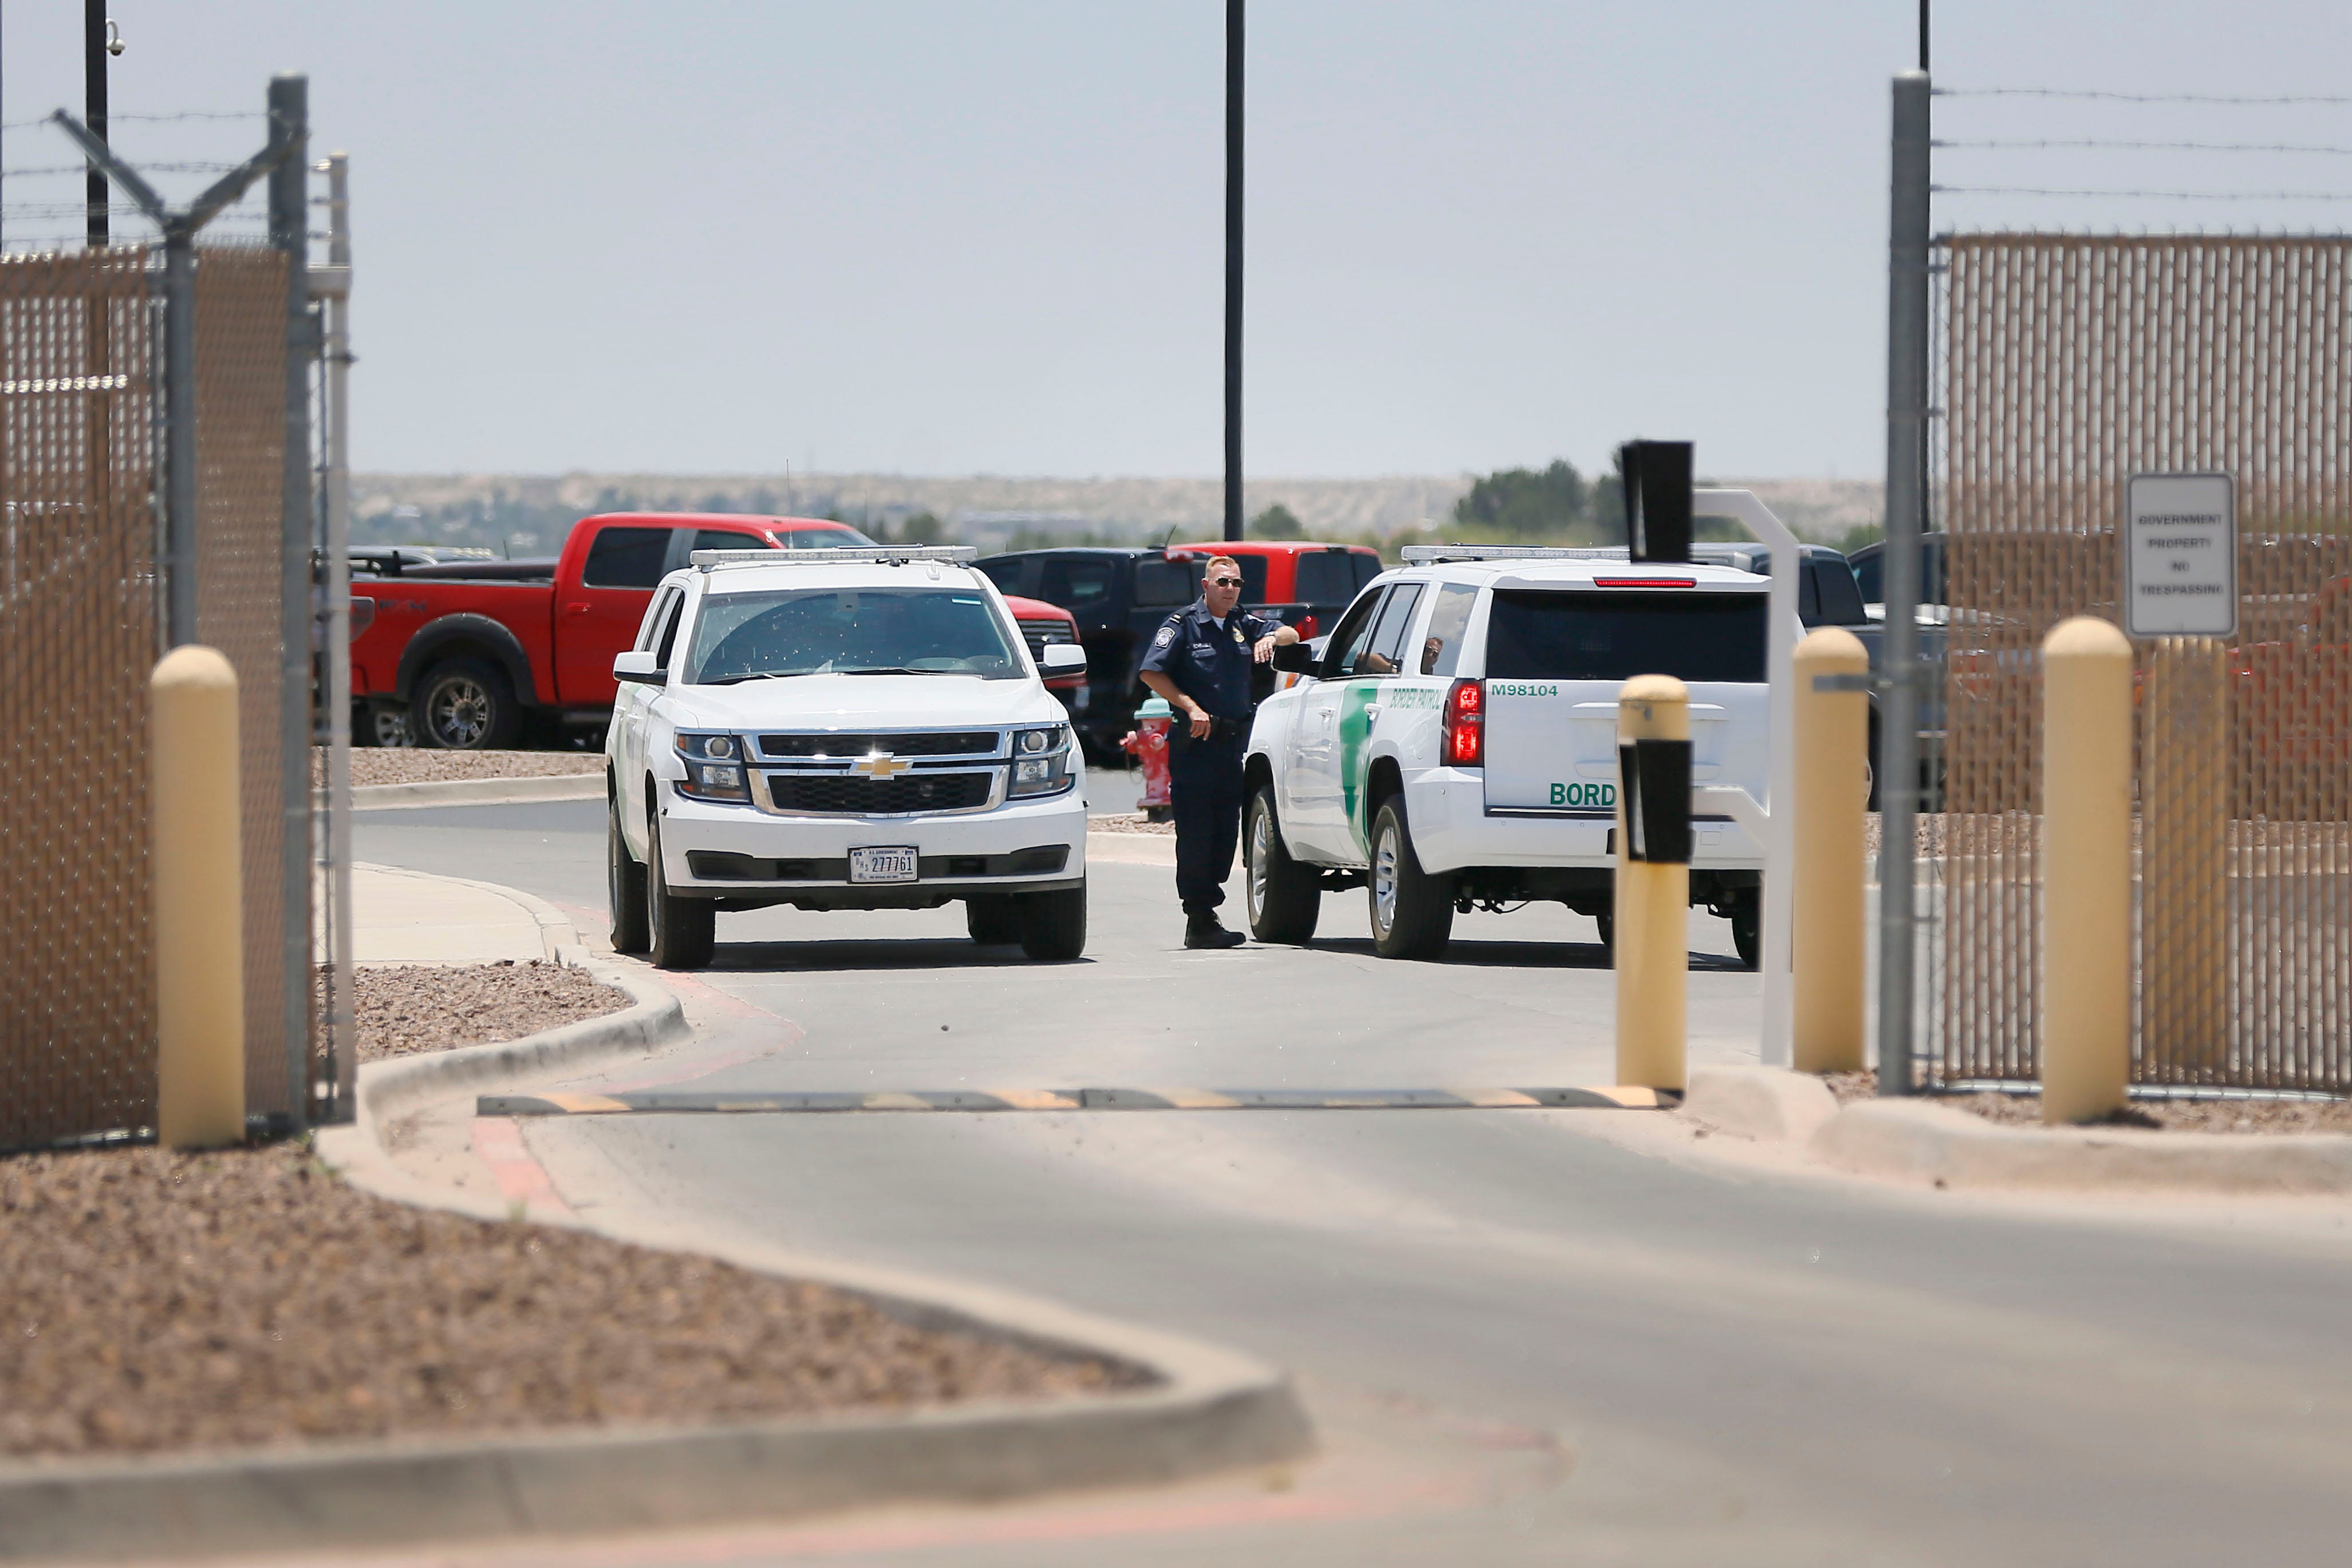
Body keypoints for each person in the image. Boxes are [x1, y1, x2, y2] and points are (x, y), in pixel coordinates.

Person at [1138, 555, 1301, 948]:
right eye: (1223, 582)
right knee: (1197, 833)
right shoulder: (1182, 626)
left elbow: (1291, 634)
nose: (1230, 589)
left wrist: (1268, 638)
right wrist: (1189, 706)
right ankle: (1199, 917)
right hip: (1196, 746)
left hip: (1232, 747)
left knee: (1226, 834)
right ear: (1205, 586)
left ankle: (1206, 910)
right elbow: (1150, 672)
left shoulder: (1242, 623)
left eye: (1237, 583)